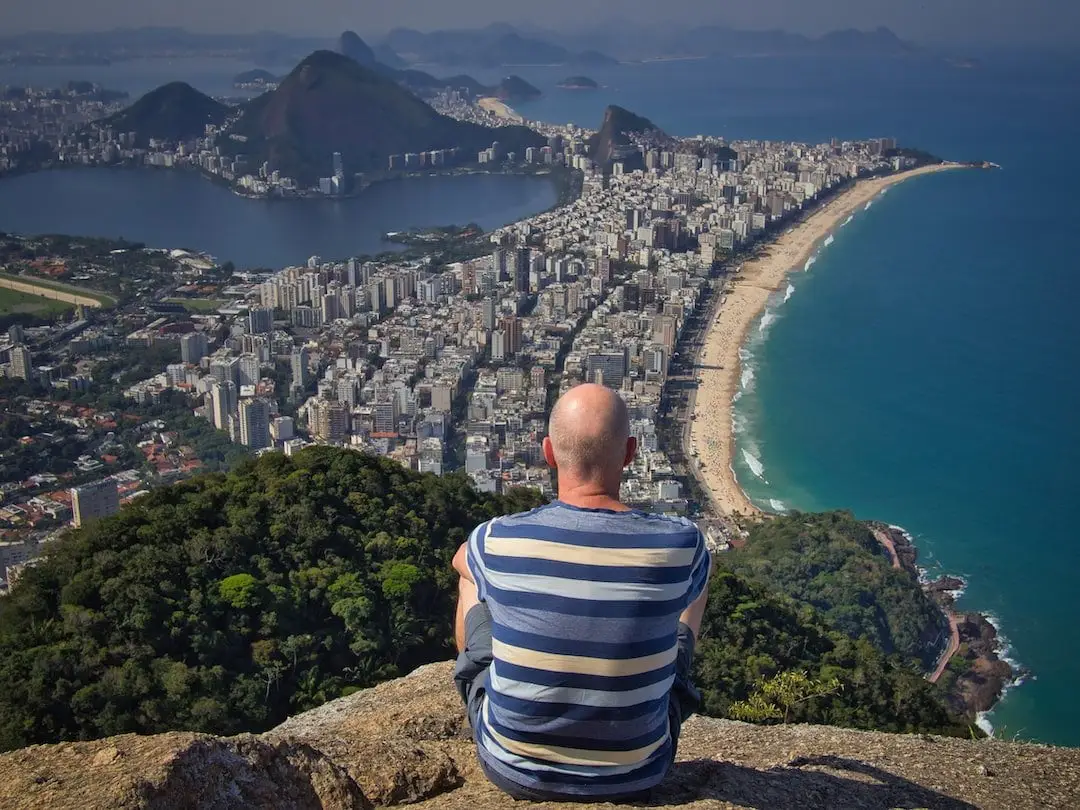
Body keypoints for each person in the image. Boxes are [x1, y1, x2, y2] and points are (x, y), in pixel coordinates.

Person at [452, 383, 712, 802]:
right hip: (638, 770)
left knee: (471, 576)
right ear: (630, 453)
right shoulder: (682, 543)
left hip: (513, 766)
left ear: (548, 452)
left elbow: (460, 559)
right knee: (694, 582)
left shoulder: (496, 538)